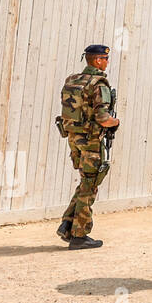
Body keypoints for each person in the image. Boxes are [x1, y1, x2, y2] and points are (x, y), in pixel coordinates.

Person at [55, 44, 120, 249]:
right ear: (98, 60)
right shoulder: (99, 84)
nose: (107, 63)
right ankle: (79, 235)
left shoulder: (72, 80)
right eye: (105, 59)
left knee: (86, 181)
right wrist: (115, 122)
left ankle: (67, 224)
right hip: (91, 141)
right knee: (90, 185)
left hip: (74, 139)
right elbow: (102, 118)